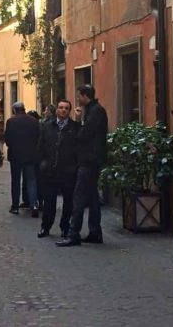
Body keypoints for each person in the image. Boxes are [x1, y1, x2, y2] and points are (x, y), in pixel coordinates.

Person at [57, 84, 109, 247]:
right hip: (91, 159)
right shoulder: (94, 110)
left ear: (85, 96)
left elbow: (84, 135)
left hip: (89, 160)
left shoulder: (96, 112)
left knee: (78, 197)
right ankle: (95, 232)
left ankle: (73, 234)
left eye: (79, 96)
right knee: (93, 198)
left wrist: (78, 122)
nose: (77, 99)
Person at [37, 99, 78, 239]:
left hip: (68, 171)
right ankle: (45, 227)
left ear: (69, 111)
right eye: (61, 107)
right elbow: (40, 146)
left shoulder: (75, 127)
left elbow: (78, 149)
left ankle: (65, 227)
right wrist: (43, 163)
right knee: (49, 201)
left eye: (66, 108)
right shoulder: (47, 126)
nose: (63, 110)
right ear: (57, 110)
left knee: (68, 202)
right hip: (50, 170)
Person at [4, 101, 40, 217]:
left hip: (16, 155)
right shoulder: (33, 121)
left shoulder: (11, 121)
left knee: (15, 181)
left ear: (14, 110)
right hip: (31, 155)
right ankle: (34, 204)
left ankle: (15, 207)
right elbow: (38, 137)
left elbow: (8, 140)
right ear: (24, 109)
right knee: (31, 180)